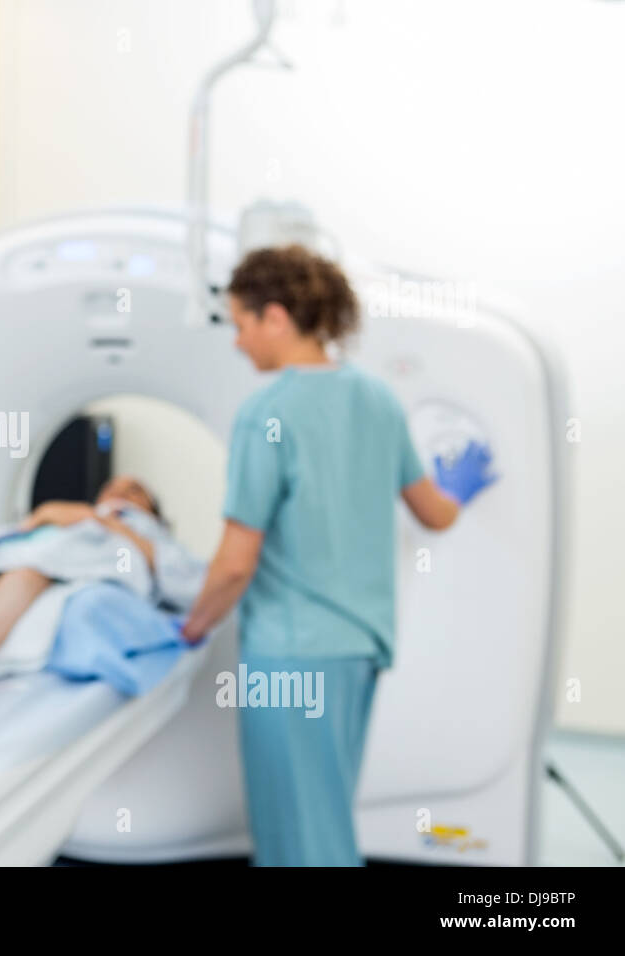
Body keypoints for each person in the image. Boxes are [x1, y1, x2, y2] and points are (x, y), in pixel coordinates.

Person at [178, 244, 496, 866]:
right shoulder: (376, 399)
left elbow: (236, 562)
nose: (238, 343)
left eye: (241, 325)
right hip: (359, 649)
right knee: (320, 817)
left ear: (276, 317)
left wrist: (191, 626)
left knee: (302, 843)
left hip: (293, 657)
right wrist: (457, 484)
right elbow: (436, 512)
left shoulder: (266, 415)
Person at [0, 474, 203, 674]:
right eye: (111, 487)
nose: (119, 493)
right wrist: (47, 514)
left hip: (51, 565)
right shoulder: (78, 514)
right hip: (23, 551)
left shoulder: (150, 533)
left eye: (134, 490)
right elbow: (24, 531)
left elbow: (189, 583)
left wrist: (107, 522)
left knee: (26, 574)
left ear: (153, 513)